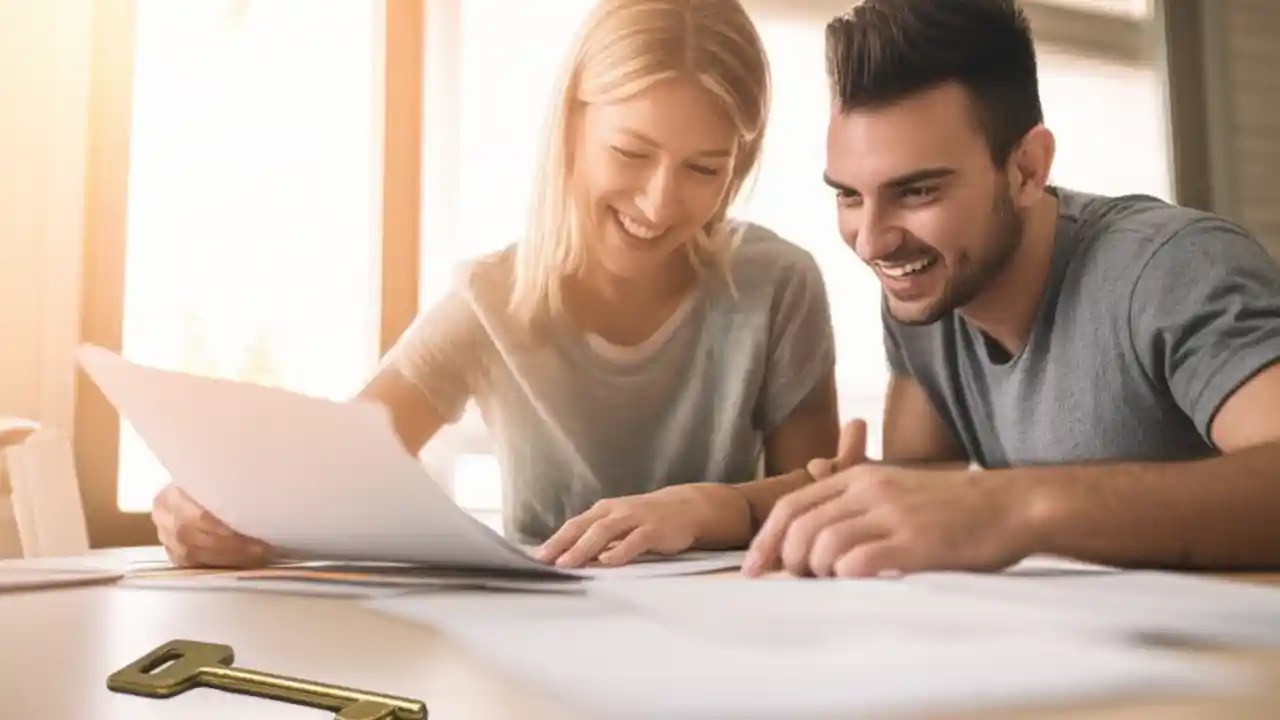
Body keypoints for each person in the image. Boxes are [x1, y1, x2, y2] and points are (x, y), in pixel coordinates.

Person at [151, 0, 839, 570]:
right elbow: (334, 472)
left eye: (704, 169)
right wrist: (213, 507)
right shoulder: (489, 301)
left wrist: (701, 508)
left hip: (729, 640)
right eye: (631, 153)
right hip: (542, 639)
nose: (660, 203)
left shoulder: (777, 285)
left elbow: (819, 499)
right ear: (571, 130)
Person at [745, 0, 1280, 578]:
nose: (872, 243)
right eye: (849, 195)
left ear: (1027, 168)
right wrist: (723, 507)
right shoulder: (927, 285)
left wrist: (1014, 504)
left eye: (919, 191)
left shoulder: (1173, 269)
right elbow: (925, 480)